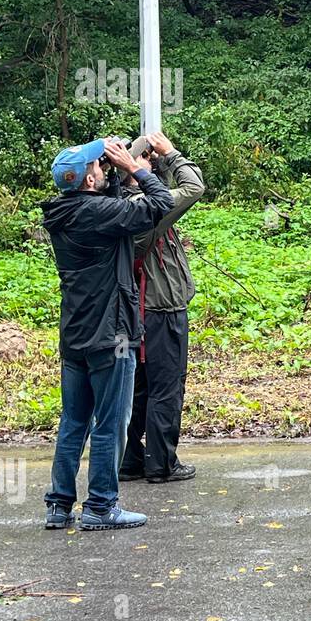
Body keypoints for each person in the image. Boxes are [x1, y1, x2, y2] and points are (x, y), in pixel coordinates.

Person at [40, 137, 173, 530]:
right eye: (96, 165)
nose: (101, 167)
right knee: (109, 422)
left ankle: (59, 505)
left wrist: (118, 174)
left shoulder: (64, 211)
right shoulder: (98, 212)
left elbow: (110, 207)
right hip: (111, 336)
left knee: (73, 423)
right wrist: (136, 170)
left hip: (76, 337)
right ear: (87, 180)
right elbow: (160, 205)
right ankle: (101, 505)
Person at [120, 131, 205, 484]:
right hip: (161, 310)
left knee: (137, 390)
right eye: (143, 161)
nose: (150, 162)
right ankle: (161, 464)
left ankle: (129, 460)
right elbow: (193, 188)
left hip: (137, 312)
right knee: (166, 388)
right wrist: (170, 153)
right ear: (128, 171)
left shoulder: (118, 204)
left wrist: (147, 160)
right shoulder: (145, 209)